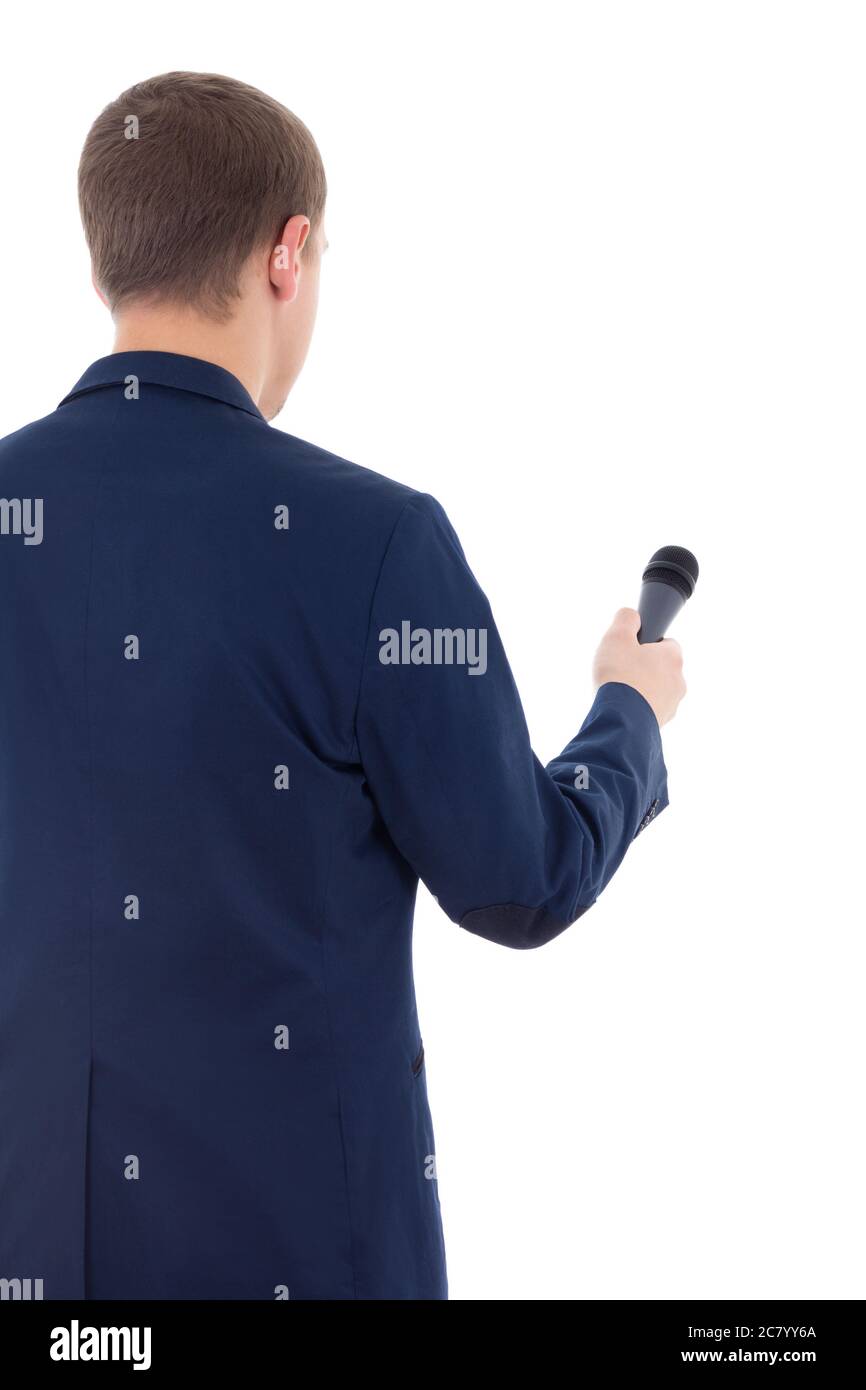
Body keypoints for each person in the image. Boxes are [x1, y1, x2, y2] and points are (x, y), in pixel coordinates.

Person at [0, 71, 686, 1301]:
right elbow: (521, 877)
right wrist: (625, 714)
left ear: (108, 263)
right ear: (288, 252)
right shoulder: (373, 543)